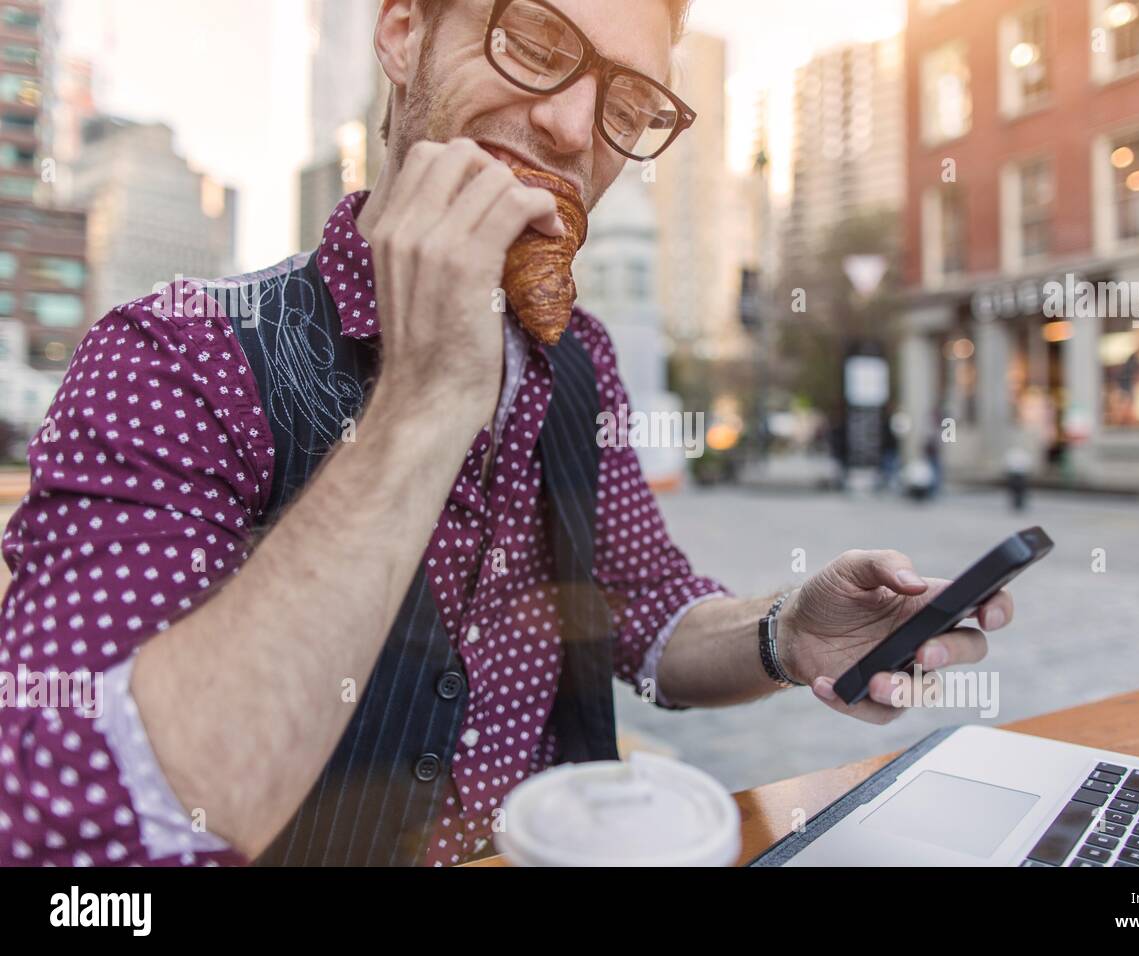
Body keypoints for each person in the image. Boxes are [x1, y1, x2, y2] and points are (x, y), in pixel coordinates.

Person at [0, 0, 1013, 867]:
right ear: (402, 33)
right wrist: (426, 397)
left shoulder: (582, 357)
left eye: (628, 105)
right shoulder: (174, 356)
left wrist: (785, 632)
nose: (575, 127)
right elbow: (73, 826)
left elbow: (646, 609)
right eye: (531, 38)